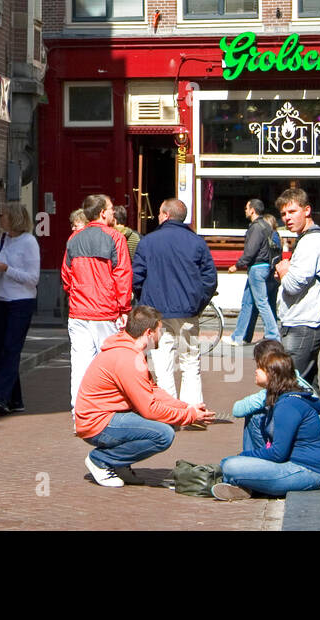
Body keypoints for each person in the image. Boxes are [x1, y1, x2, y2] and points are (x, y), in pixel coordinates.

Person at [75, 305, 216, 487]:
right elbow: (149, 409)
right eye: (160, 331)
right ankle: (101, 460)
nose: (161, 336)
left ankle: (119, 464)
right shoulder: (127, 358)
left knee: (162, 423)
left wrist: (185, 408)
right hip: (97, 422)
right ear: (149, 333)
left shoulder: (130, 350)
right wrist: (190, 417)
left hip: (106, 416)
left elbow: (152, 390)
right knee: (164, 434)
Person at [132, 198, 216, 407]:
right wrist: (198, 303)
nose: (158, 217)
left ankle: (168, 409)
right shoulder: (197, 242)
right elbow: (210, 279)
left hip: (157, 313)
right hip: (188, 310)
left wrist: (146, 302)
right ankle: (193, 408)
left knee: (162, 364)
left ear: (166, 215)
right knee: (190, 361)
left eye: (160, 213)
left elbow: (136, 278)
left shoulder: (148, 242)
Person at [214, 350, 320, 499]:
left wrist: (244, 456)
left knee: (229, 466)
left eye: (260, 368)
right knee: (253, 418)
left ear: (272, 374)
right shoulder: (283, 399)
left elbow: (277, 453)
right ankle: (246, 483)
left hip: (306, 472)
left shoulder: (288, 405)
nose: (255, 371)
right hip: (291, 464)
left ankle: (245, 484)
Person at [61, 194, 133, 412]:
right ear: (103, 213)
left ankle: (80, 412)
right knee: (109, 364)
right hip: (105, 311)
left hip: (79, 311)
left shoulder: (74, 239)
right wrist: (123, 308)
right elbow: (122, 275)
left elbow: (66, 275)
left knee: (80, 364)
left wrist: (75, 295)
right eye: (111, 209)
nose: (113, 212)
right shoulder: (116, 238)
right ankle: (106, 411)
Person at [274, 187, 320, 394]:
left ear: (306, 210)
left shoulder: (311, 242)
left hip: (304, 323)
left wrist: (284, 273)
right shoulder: (309, 239)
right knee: (307, 383)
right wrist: (286, 273)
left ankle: (285, 426)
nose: (287, 218)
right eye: (283, 214)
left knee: (287, 384)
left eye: (292, 212)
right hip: (306, 321)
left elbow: (292, 285)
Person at [232, 339, 320, 461]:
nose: (256, 371)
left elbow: (237, 409)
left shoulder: (285, 389)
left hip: (310, 458)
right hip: (319, 453)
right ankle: (254, 461)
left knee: (255, 416)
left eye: (259, 366)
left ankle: (252, 463)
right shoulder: (294, 382)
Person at [0, 202, 40, 416]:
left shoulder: (29, 242)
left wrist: (7, 269)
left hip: (21, 301)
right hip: (1, 299)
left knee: (11, 348)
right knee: (1, 350)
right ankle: (15, 400)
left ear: (15, 218)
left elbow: (33, 278)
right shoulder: (4, 239)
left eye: (3, 215)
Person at [225, 199, 280, 345]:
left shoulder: (256, 227)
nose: (245, 210)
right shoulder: (266, 226)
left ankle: (273, 334)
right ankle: (237, 337)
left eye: (246, 207)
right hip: (264, 267)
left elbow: (251, 250)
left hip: (257, 268)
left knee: (261, 302)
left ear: (252, 210)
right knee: (247, 303)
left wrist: (237, 265)